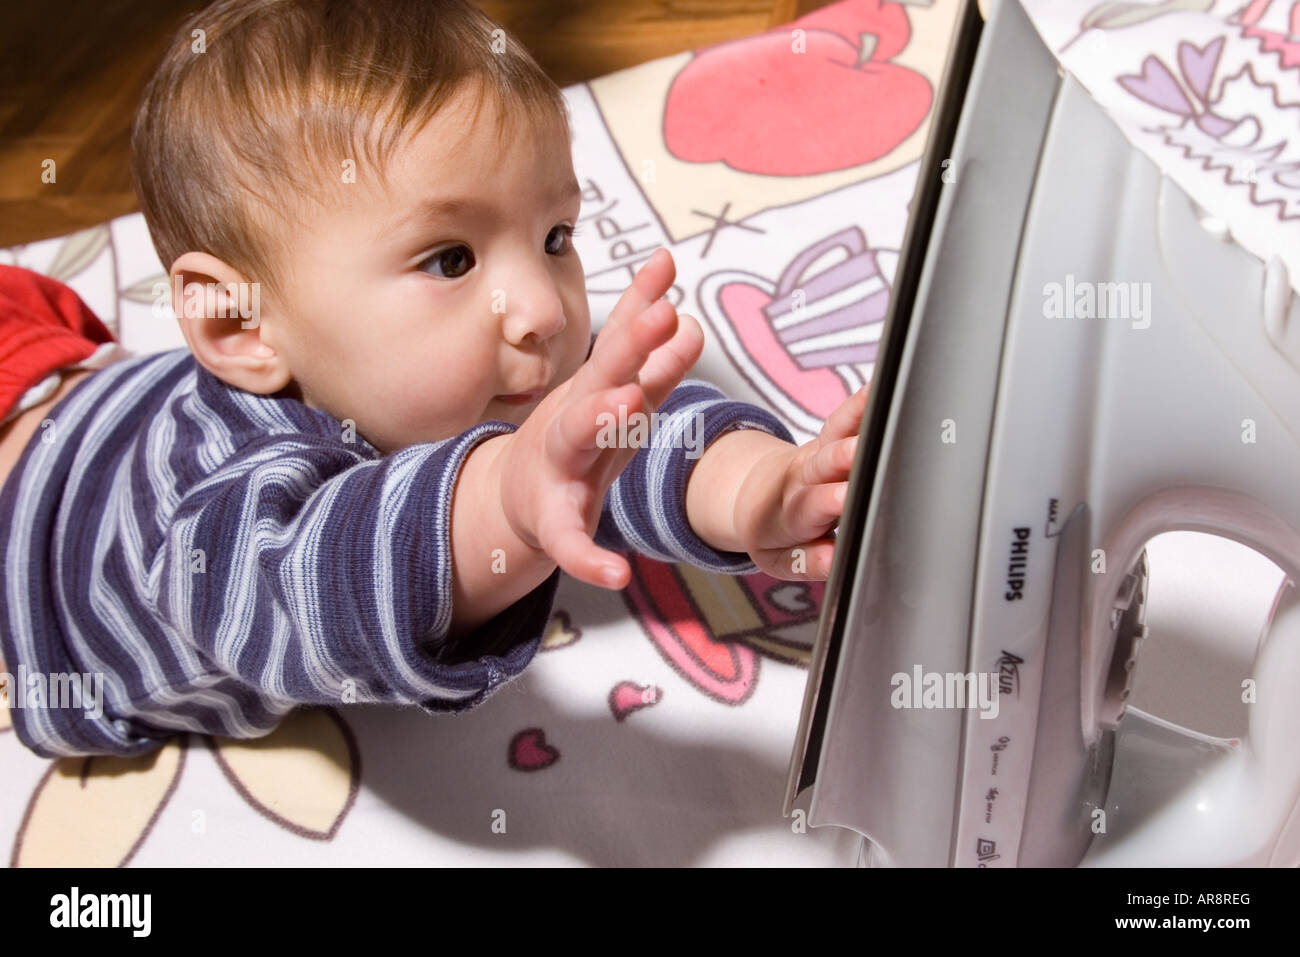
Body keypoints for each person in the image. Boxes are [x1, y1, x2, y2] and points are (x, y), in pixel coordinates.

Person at [0, 0, 865, 759]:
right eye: (451, 258)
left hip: (71, 376)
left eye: (555, 236)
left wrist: (759, 486)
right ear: (238, 323)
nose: (543, 307)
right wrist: (503, 500)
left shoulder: (492, 359)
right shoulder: (215, 513)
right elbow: (304, 592)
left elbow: (617, 433)